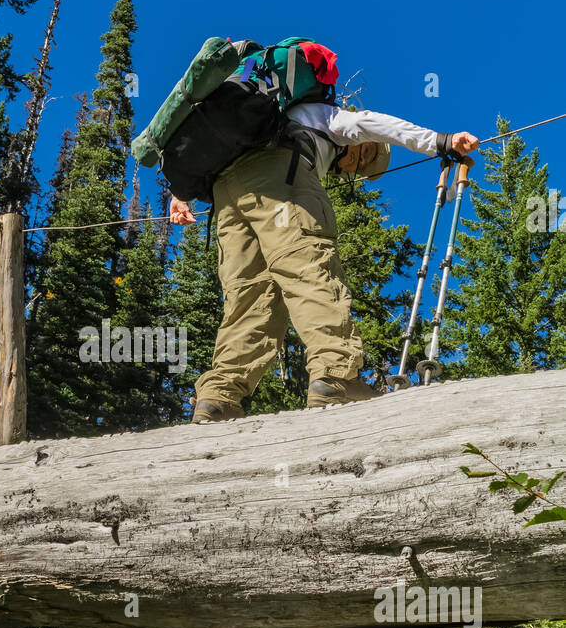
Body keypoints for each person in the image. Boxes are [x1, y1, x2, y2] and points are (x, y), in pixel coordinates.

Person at [169, 98, 478, 419]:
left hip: (226, 191)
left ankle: (220, 396)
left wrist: (182, 192)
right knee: (310, 270)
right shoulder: (327, 118)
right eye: (367, 157)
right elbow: (370, 123)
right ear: (366, 146)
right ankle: (337, 374)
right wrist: (439, 141)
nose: (355, 165)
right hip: (276, 176)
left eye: (361, 168)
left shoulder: (269, 120)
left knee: (250, 296)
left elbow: (220, 150)